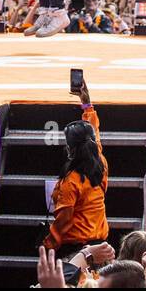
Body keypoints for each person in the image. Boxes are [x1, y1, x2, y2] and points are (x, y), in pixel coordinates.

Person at [42, 83, 109, 263]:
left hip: (77, 251)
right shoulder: (100, 163)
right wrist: (87, 105)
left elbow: (63, 219)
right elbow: (94, 134)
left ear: (70, 148)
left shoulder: (71, 182)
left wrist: (49, 245)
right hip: (100, 246)